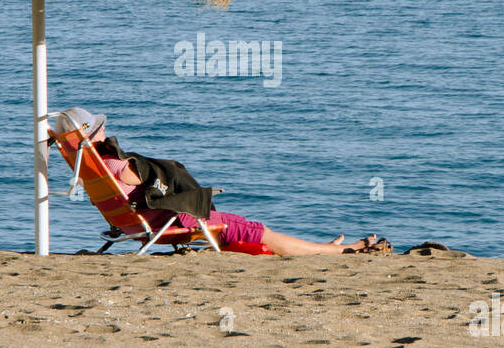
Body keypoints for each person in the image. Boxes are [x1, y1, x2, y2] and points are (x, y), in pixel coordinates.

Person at [54, 108, 391, 256]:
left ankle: (325, 249)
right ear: (92, 135)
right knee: (259, 231)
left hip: (133, 225)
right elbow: (154, 185)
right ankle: (336, 251)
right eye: (98, 129)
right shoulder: (116, 164)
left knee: (241, 226)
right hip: (168, 221)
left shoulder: (90, 168)